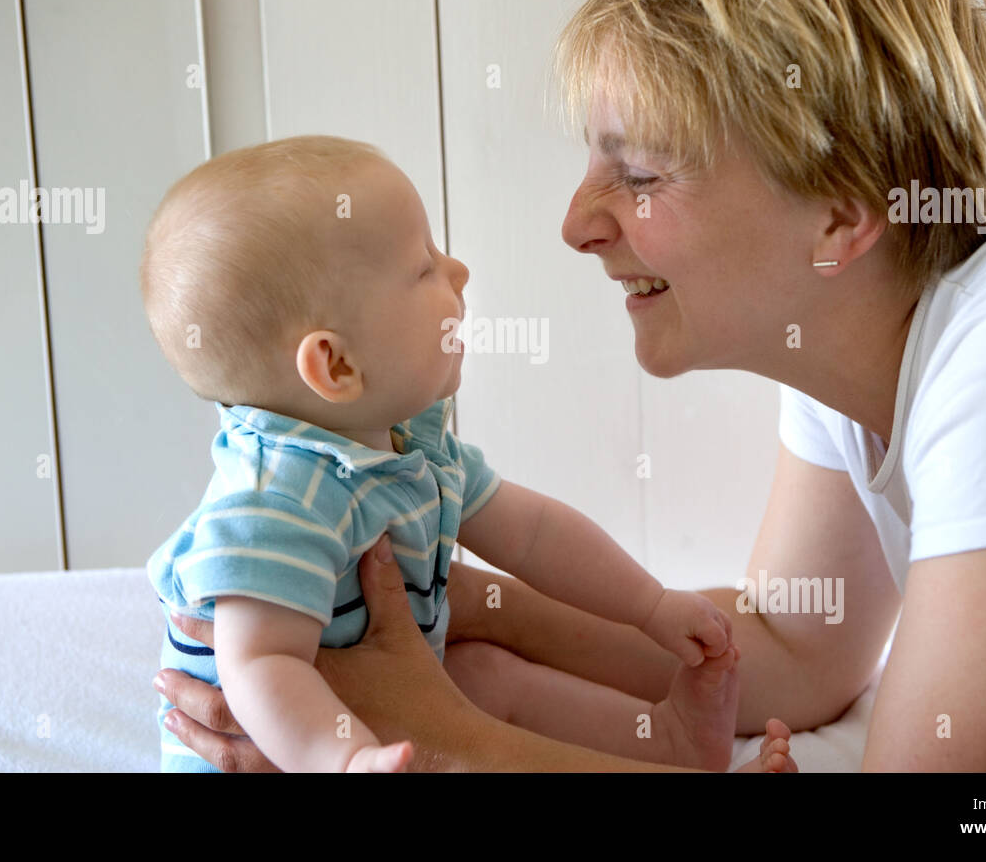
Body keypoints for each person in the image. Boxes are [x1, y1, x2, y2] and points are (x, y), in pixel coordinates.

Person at [155, 0, 986, 771]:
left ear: (840, 218)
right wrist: (459, 625)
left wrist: (443, 735)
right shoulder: (876, 320)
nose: (577, 222)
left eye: (636, 173)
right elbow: (794, 652)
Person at [140, 136, 794, 772]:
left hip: (387, 708)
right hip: (301, 751)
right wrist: (345, 757)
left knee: (482, 674)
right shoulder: (277, 500)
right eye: (424, 267)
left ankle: (671, 746)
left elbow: (535, 534)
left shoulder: (409, 446)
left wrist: (650, 605)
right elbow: (259, 668)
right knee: (465, 681)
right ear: (335, 364)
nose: (459, 271)